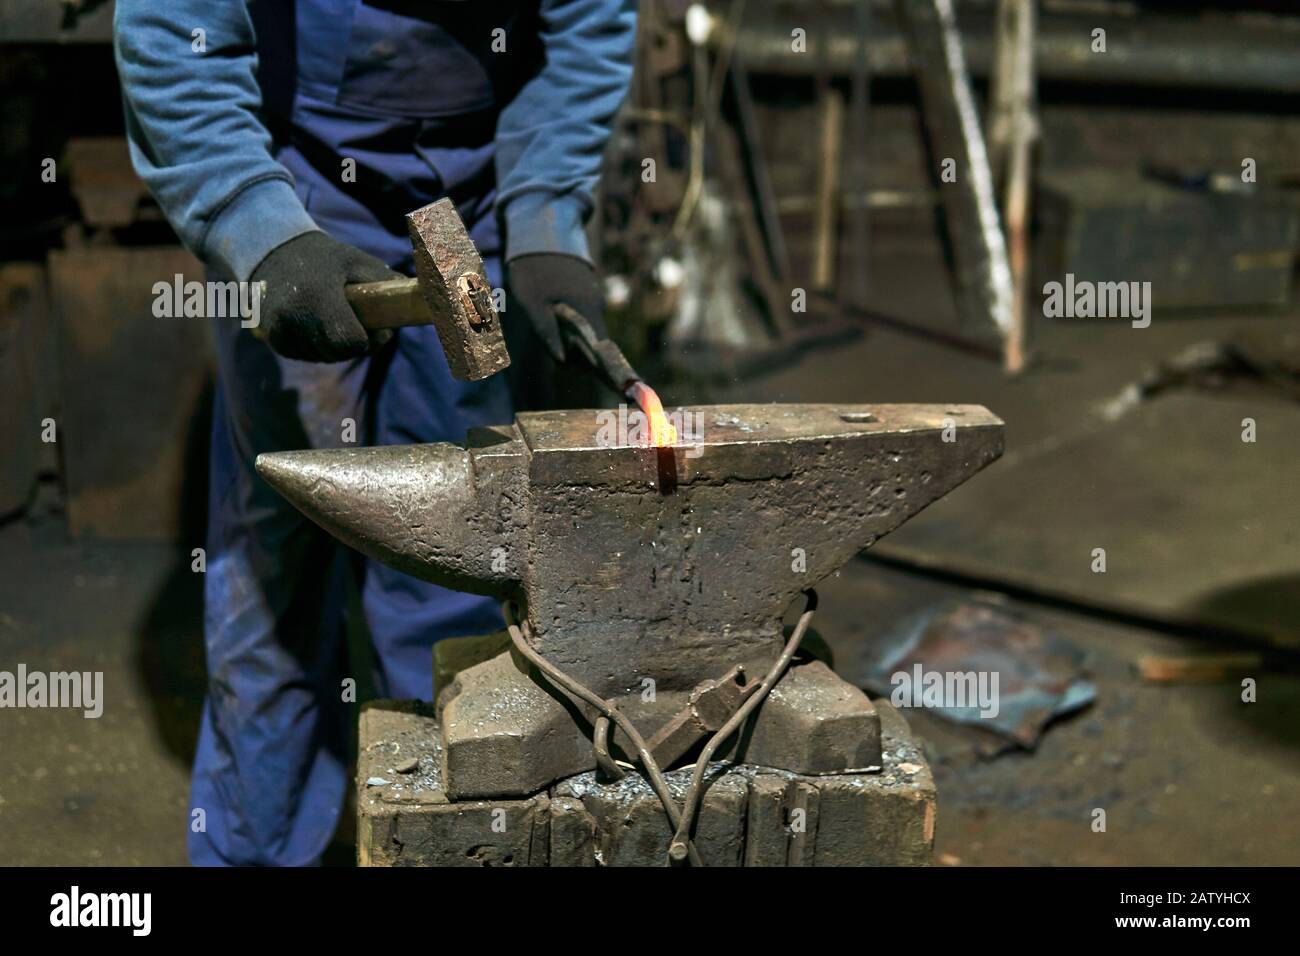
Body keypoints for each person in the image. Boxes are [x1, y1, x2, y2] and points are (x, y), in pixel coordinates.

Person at [113, 0, 636, 866]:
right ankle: (257, 851)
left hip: (481, 200)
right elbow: (174, 31)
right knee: (279, 561)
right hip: (295, 187)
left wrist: (545, 220)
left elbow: (587, 24)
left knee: (464, 545)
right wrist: (260, 231)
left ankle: (452, 838)